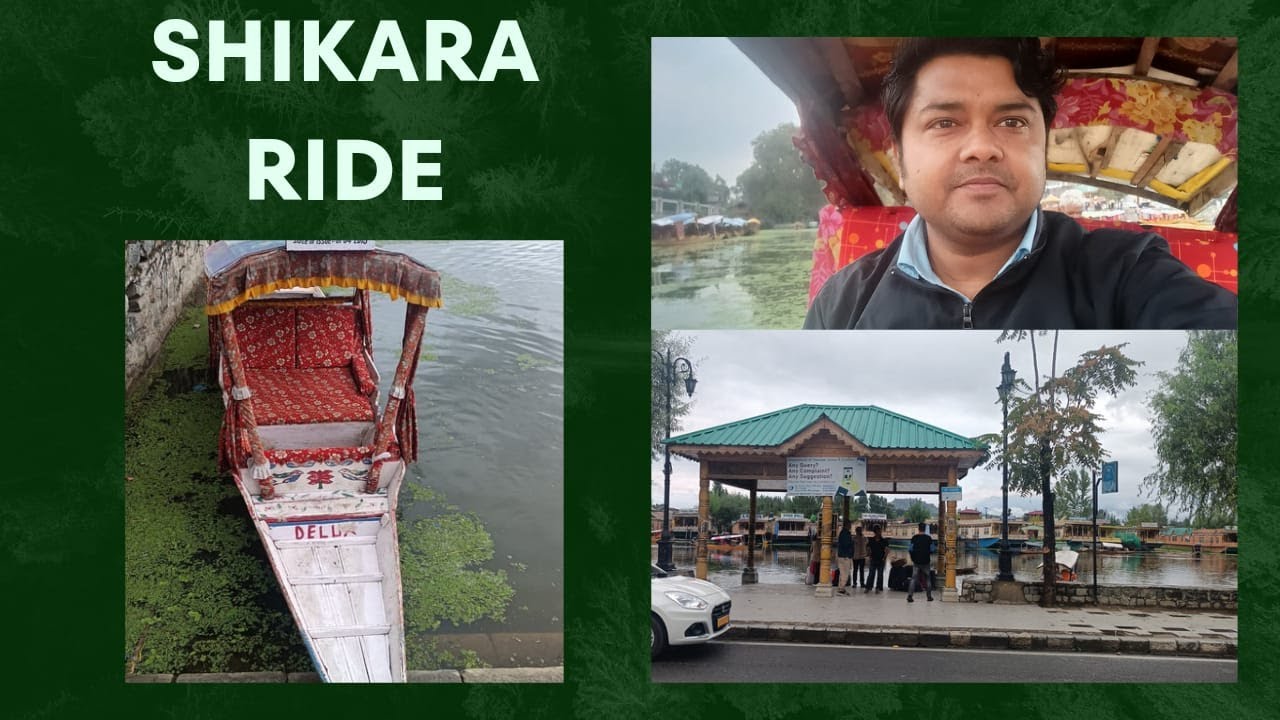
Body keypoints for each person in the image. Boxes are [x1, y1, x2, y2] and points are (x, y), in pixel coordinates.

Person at [802, 37, 1237, 330]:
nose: (982, 147)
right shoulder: (841, 306)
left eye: (1011, 121)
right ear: (899, 161)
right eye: (944, 122)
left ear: (1043, 147)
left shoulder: (1129, 273)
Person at [906, 522, 934, 602]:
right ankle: (929, 597)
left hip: (916, 562)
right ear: (925, 529)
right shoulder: (928, 538)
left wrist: (913, 557)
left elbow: (910, 549)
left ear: (918, 529)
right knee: (928, 578)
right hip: (926, 561)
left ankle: (910, 596)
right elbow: (932, 549)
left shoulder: (914, 538)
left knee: (913, 578)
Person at [865, 525, 889, 592]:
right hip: (873, 559)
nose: (879, 532)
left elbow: (887, 550)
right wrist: (869, 555)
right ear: (875, 532)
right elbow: (868, 548)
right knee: (871, 574)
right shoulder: (871, 540)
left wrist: (884, 558)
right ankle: (868, 587)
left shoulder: (884, 541)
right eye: (878, 530)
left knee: (880, 575)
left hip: (881, 559)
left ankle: (878, 587)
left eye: (880, 530)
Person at [836, 520, 854, 594]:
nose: (850, 526)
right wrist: (849, 553)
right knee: (845, 573)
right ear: (847, 525)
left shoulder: (843, 533)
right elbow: (846, 545)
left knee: (842, 573)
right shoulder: (845, 533)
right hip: (845, 556)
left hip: (842, 555)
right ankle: (841, 589)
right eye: (849, 524)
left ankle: (840, 587)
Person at [852, 524, 868, 589]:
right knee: (855, 570)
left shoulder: (864, 538)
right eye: (858, 531)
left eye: (860, 530)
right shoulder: (853, 538)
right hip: (855, 556)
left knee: (861, 570)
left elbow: (866, 545)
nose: (859, 532)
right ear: (856, 531)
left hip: (862, 556)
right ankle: (855, 583)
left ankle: (862, 583)